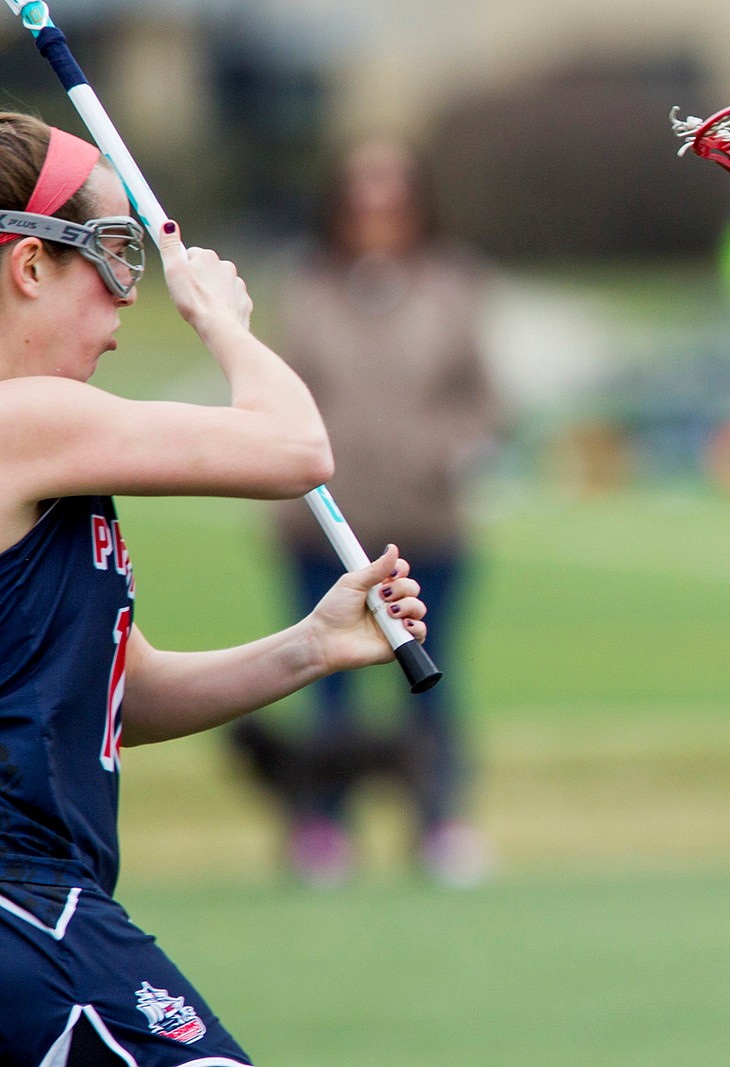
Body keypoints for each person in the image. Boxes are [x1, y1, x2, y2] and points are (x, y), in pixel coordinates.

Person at [0, 113, 428, 1065]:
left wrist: (310, 644)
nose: (123, 310)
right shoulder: (23, 422)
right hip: (28, 911)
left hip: (50, 905)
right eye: (114, 257)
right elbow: (295, 449)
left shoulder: (46, 453)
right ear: (30, 265)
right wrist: (223, 324)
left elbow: (122, 693)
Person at [238, 137, 500, 888]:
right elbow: (279, 387)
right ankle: (323, 828)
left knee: (433, 675)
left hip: (429, 522)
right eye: (362, 198)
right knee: (328, 679)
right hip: (325, 525)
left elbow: (483, 396)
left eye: (392, 197)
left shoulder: (455, 285)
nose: (377, 214)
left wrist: (450, 448)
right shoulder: (310, 287)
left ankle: (441, 822)